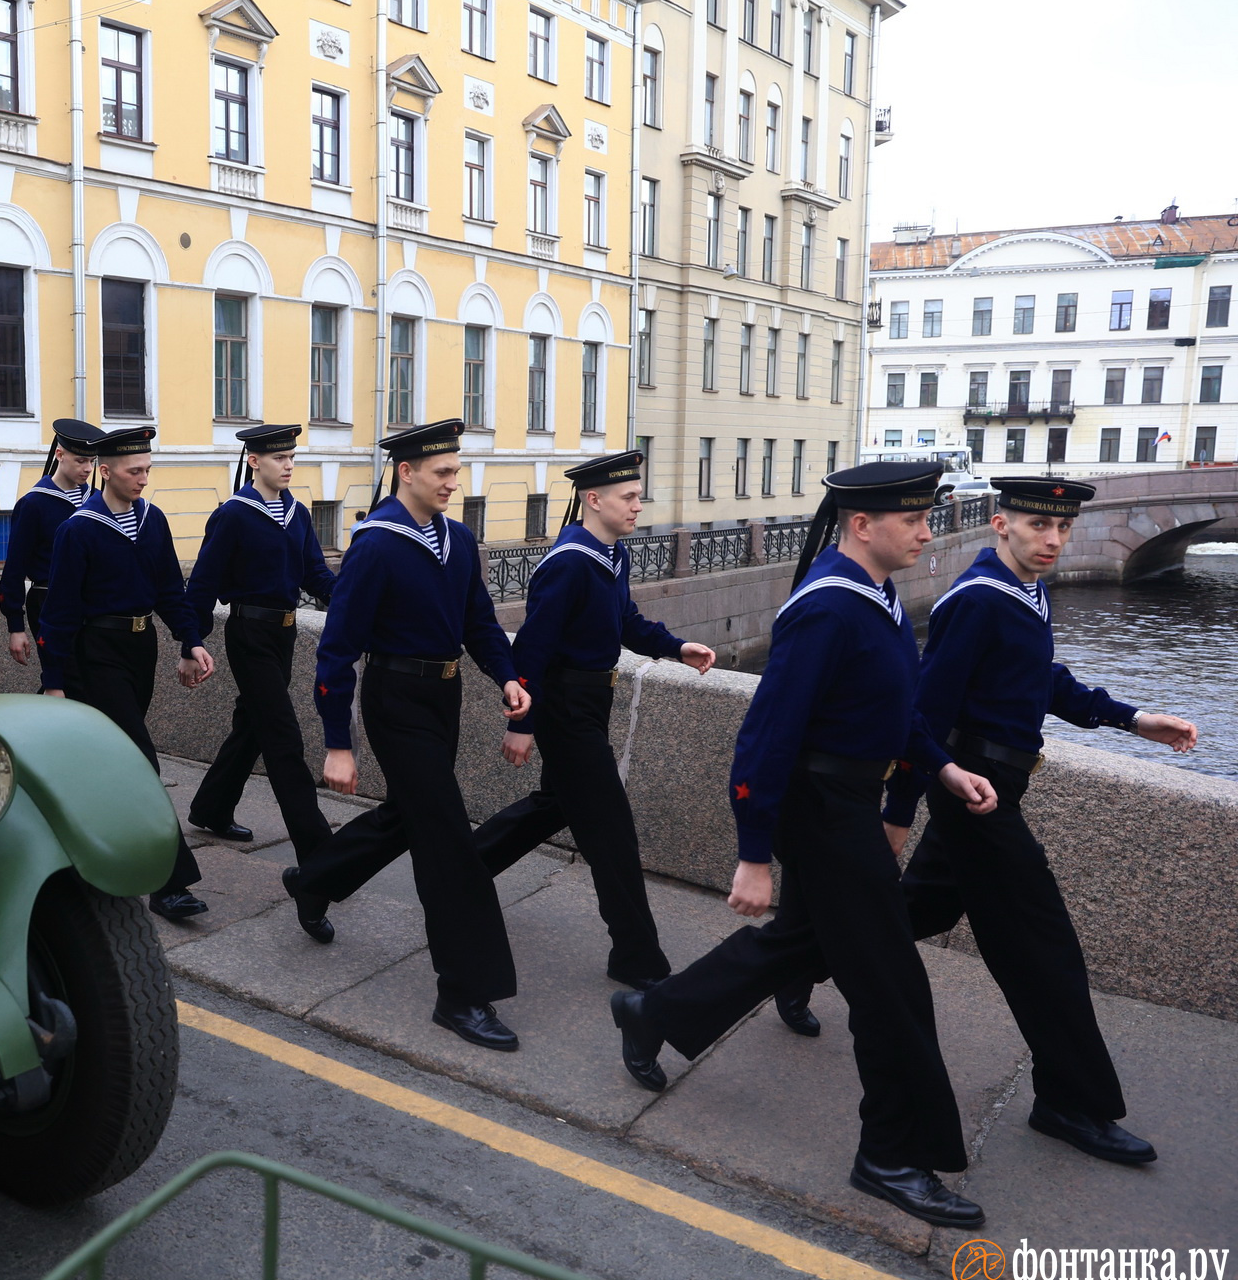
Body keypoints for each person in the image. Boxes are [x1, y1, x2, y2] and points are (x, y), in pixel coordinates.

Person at [609, 461, 1001, 1230]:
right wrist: (754, 852)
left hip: (847, 801)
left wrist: (943, 767)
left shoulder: (878, 596)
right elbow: (765, 735)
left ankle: (652, 1009)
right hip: (823, 815)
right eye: (914, 518)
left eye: (929, 516)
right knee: (892, 987)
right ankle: (887, 1154)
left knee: (796, 944)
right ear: (863, 525)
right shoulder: (828, 608)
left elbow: (895, 709)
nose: (929, 530)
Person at [772, 476, 1196, 1166]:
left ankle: (790, 960)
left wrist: (1134, 719)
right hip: (975, 795)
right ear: (1001, 524)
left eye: (1062, 528)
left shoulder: (1029, 591)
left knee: (903, 914)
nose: (1053, 540)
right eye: (1038, 526)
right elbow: (925, 710)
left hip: (996, 788)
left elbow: (1041, 680)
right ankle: (1069, 1099)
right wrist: (900, 810)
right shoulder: (975, 601)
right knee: (1045, 947)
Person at [281, 419, 533, 1052]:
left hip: (442, 696)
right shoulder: (375, 545)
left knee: (408, 816)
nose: (454, 482)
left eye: (456, 471)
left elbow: (477, 619)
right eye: (443, 472)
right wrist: (339, 742)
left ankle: (316, 879)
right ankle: (463, 992)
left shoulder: (457, 539)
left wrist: (506, 676)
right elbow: (337, 650)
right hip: (395, 702)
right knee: (448, 841)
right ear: (407, 473)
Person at [472, 451, 716, 990]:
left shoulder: (612, 555)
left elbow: (624, 621)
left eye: (637, 495)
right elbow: (535, 645)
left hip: (590, 703)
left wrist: (676, 647)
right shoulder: (569, 562)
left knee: (551, 807)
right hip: (563, 706)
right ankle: (636, 956)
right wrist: (522, 722)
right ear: (593, 499)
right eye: (629, 497)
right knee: (611, 832)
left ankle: (459, 877)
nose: (637, 505)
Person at [37, 426, 217, 921]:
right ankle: (168, 883)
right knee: (142, 762)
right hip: (95, 653)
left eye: (147, 471)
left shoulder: (152, 520)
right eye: (134, 471)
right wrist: (55, 681)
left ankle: (78, 846)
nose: (142, 479)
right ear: (107, 470)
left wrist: (191, 640)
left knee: (108, 762)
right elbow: (59, 613)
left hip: (141, 649)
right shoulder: (79, 528)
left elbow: (169, 591)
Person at [184, 424, 338, 854]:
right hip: (248, 632)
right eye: (279, 458)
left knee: (252, 724)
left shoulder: (298, 513)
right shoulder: (233, 513)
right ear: (254, 461)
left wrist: (352, 602)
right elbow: (203, 584)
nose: (288, 465)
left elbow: (316, 574)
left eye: (291, 458)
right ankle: (319, 848)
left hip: (284, 634)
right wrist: (190, 642)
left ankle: (211, 808)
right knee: (282, 733)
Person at [1, 419, 103, 672]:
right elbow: (14, 567)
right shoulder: (34, 503)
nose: (88, 468)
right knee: (62, 679)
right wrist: (16, 626)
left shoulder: (98, 500)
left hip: (95, 605)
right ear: (60, 455)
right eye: (80, 460)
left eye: (92, 461)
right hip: (48, 601)